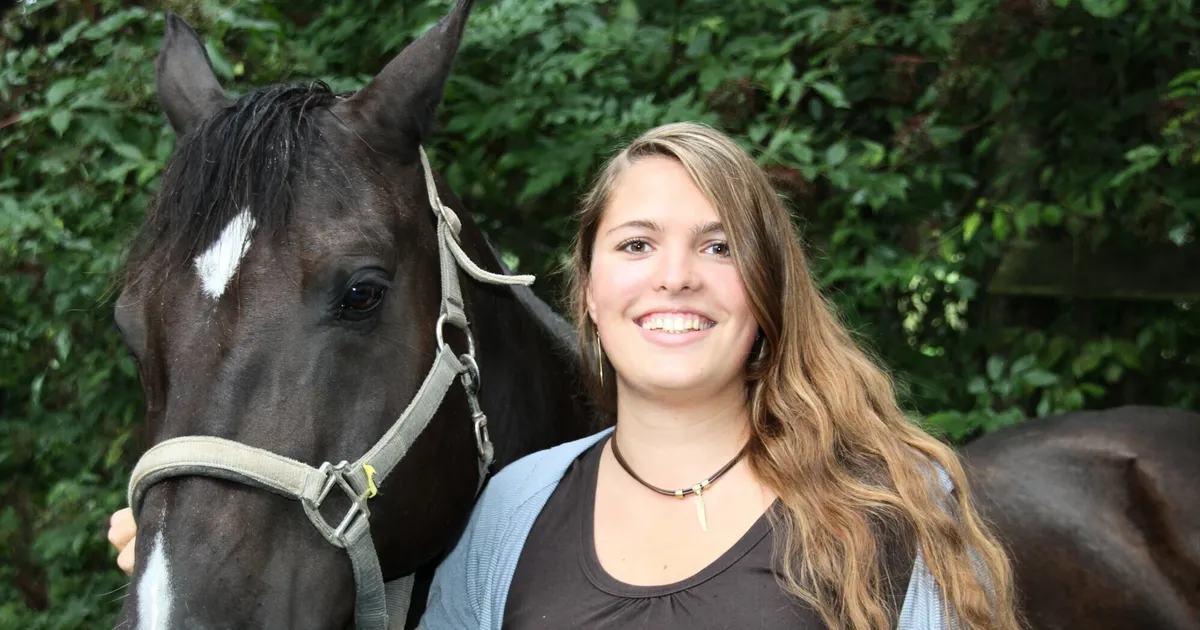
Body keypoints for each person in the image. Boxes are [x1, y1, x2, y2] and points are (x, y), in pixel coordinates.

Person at [110, 122, 1020, 630]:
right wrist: (198, 554)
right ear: (588, 287)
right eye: (637, 245)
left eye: (718, 246)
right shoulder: (511, 514)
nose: (675, 276)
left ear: (769, 286)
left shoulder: (887, 502)